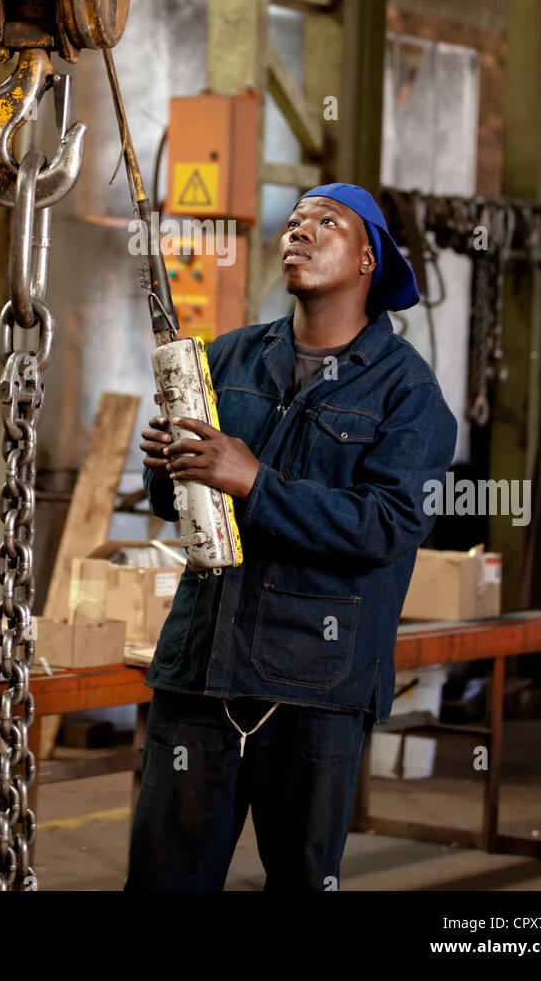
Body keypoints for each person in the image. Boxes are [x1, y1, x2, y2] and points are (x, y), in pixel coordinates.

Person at [124, 182, 457, 892]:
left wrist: (255, 483)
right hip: (202, 675)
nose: (298, 233)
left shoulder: (407, 393)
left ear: (369, 258)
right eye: (295, 221)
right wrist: (167, 470)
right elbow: (178, 508)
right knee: (162, 884)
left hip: (317, 691)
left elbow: (389, 523)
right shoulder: (231, 358)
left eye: (325, 224)